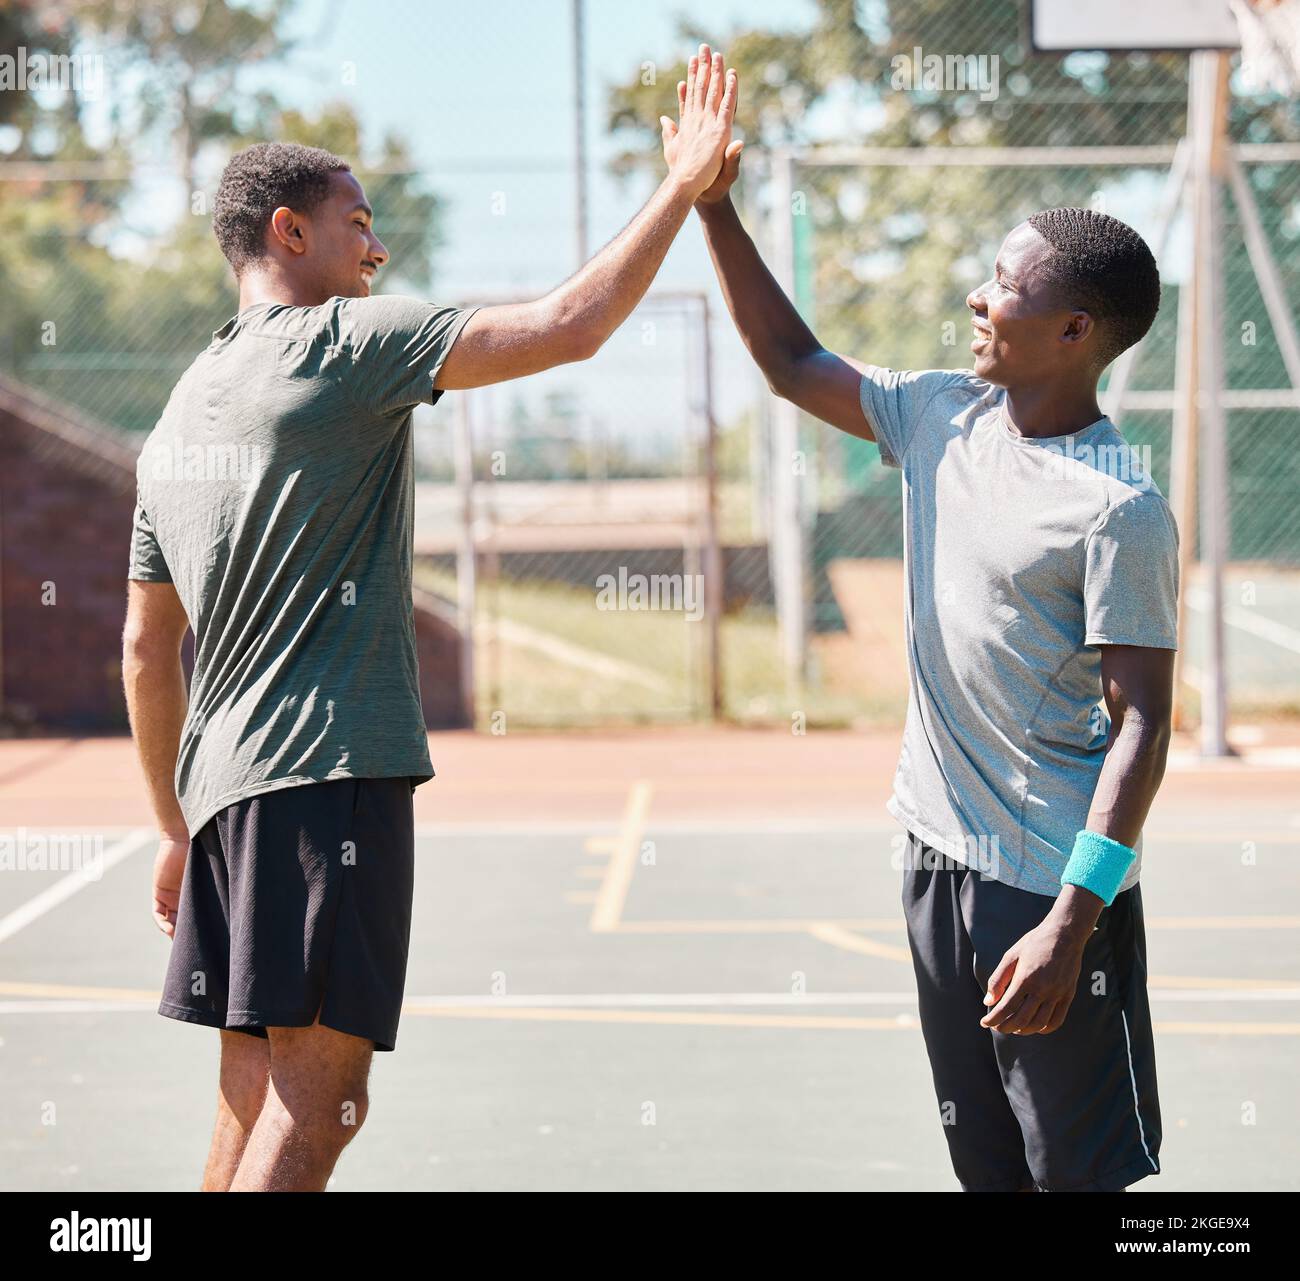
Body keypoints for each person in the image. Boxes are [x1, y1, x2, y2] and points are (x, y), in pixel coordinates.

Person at [122, 48, 738, 1192]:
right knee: (320, 1105)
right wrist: (683, 187)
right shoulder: (345, 347)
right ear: (290, 235)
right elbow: (569, 325)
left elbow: (147, 649)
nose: (377, 246)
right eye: (358, 222)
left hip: (221, 798)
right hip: (324, 780)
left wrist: (172, 823)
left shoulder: (176, 419)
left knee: (250, 1095)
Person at [670, 83, 1177, 1192]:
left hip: (1046, 889)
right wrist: (712, 207)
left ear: (1075, 332)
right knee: (985, 1167)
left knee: (1078, 1181)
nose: (976, 297)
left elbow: (1142, 721)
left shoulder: (1116, 507)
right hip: (933, 859)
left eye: (1003, 284)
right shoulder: (942, 414)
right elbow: (792, 364)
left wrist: (1072, 923)